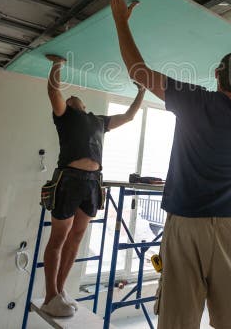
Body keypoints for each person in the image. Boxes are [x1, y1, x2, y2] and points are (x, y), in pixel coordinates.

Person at [109, 0, 231, 329]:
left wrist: (121, 21)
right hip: (230, 230)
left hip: (185, 227)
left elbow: (138, 71)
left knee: (177, 319)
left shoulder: (194, 100)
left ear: (216, 74)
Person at [40, 53, 145, 318]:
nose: (73, 95)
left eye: (77, 96)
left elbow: (130, 116)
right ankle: (50, 295)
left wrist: (141, 91)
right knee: (59, 238)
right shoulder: (64, 115)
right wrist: (57, 64)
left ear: (84, 105)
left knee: (77, 237)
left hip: (92, 183)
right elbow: (54, 90)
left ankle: (61, 291)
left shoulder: (99, 120)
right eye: (71, 95)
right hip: (68, 179)